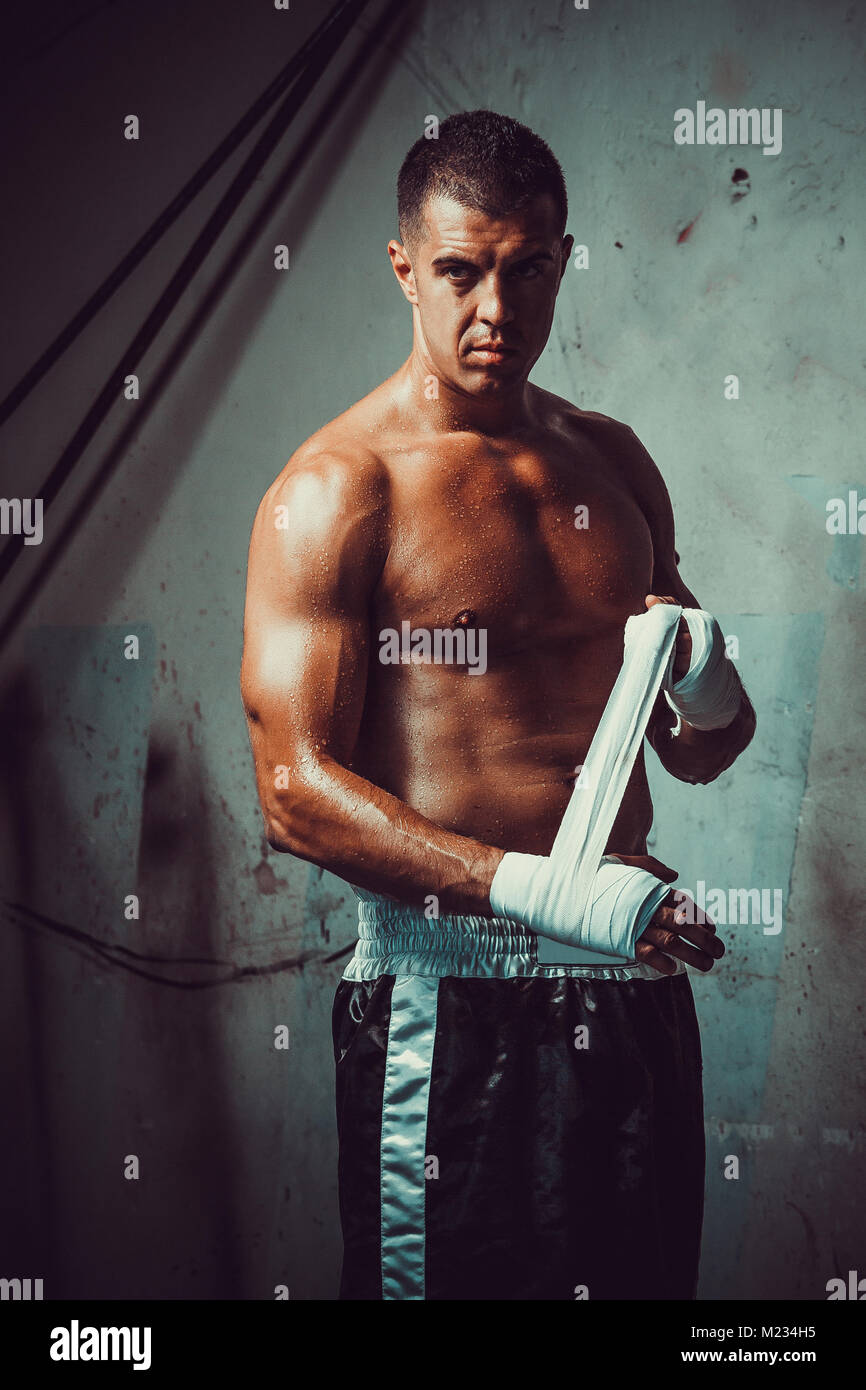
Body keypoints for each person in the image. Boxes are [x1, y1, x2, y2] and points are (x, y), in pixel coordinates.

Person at [240, 110, 756, 1301]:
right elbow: (291, 795)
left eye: (527, 270)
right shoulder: (337, 489)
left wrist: (705, 680)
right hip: (444, 997)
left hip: (629, 984)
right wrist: (539, 892)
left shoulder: (611, 463)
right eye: (462, 271)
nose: (496, 310)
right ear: (404, 267)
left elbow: (699, 755)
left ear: (561, 260)